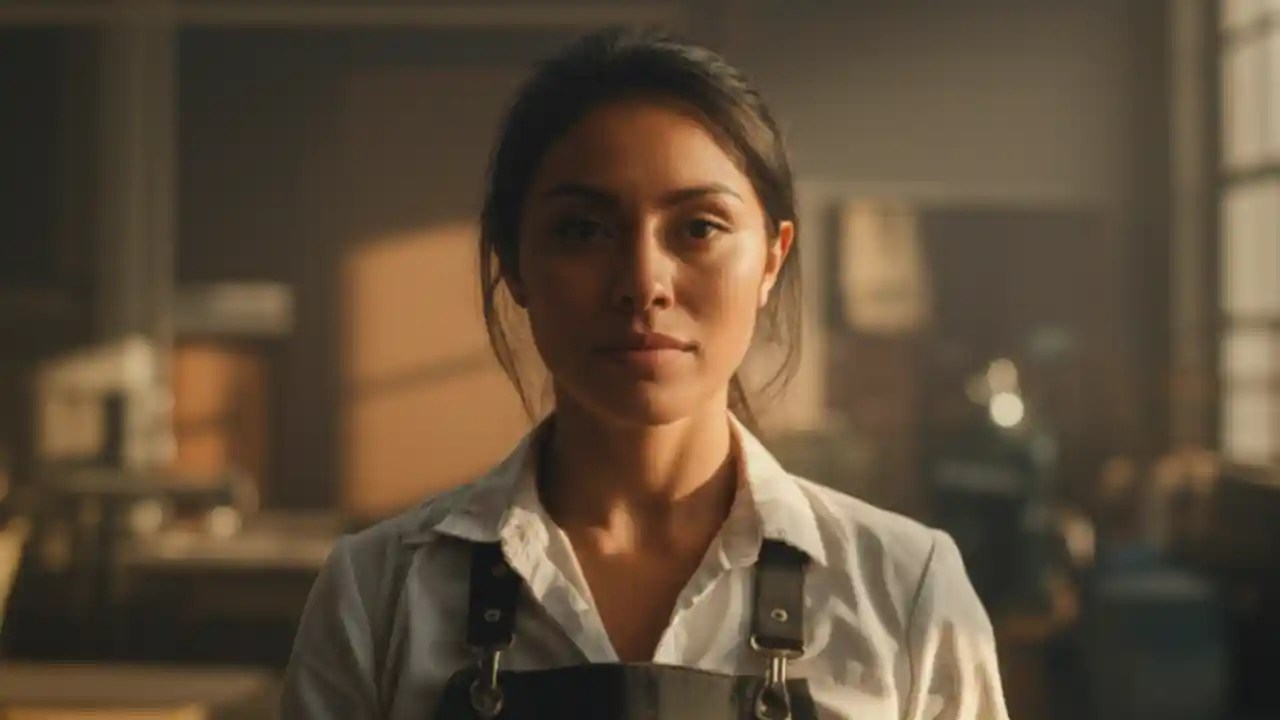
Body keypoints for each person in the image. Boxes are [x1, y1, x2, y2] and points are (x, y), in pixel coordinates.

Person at [282, 27, 1008, 720]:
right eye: (583, 230)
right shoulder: (378, 593)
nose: (642, 282)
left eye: (698, 228)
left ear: (771, 259)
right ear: (515, 262)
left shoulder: (903, 590)